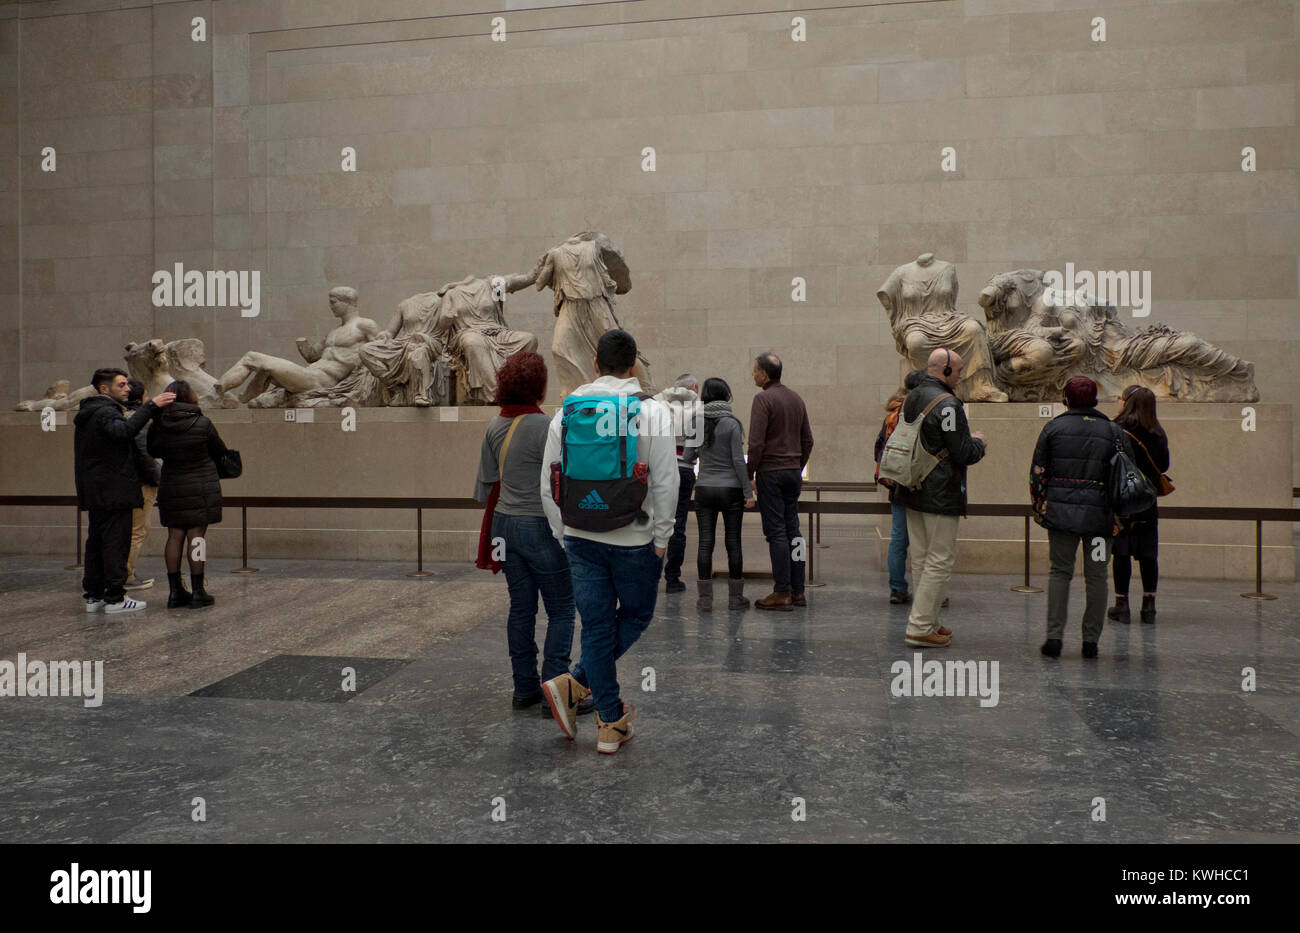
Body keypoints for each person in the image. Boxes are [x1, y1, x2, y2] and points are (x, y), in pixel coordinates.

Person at [540, 329, 678, 755]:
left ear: (595, 365)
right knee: (635, 616)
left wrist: (564, 534)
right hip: (634, 537)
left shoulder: (566, 412)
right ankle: (609, 719)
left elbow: (548, 483)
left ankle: (578, 685)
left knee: (597, 626)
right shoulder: (651, 412)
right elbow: (666, 482)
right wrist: (662, 537)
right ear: (633, 364)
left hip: (581, 535)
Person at [473, 351, 580, 713]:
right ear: (538, 385)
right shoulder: (546, 426)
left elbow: (484, 485)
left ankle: (524, 689)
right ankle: (555, 692)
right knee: (562, 608)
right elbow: (563, 479)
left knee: (521, 608)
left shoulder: (493, 426)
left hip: (503, 528)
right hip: (538, 525)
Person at [1030, 376, 1134, 658]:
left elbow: (1038, 472)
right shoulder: (1113, 431)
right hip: (1101, 520)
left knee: (1060, 572)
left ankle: (1054, 638)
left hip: (1062, 515)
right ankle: (1091, 641)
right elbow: (1127, 475)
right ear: (1095, 401)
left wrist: (1040, 507)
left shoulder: (1053, 428)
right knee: (1097, 576)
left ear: (1066, 400)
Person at [894, 349, 986, 647]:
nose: (961, 376)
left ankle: (929, 621)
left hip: (911, 486)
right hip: (939, 491)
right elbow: (962, 452)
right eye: (958, 370)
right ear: (945, 370)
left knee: (921, 558)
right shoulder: (947, 404)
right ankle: (920, 626)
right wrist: (980, 443)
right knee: (940, 559)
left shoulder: (913, 396)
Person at [74, 369, 176, 613]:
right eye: (121, 385)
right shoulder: (105, 412)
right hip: (113, 490)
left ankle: (94, 595)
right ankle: (115, 598)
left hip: (98, 490)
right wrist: (150, 407)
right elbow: (124, 432)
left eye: (126, 384)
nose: (127, 388)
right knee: (115, 543)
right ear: (104, 388)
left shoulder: (91, 413)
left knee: (97, 543)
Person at [147, 380, 229, 610]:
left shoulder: (159, 424)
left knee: (174, 536)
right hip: (200, 486)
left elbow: (152, 450)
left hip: (172, 484)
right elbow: (220, 450)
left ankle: (174, 592)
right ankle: (198, 591)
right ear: (191, 397)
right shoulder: (202, 422)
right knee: (197, 536)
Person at [747, 352, 814, 611]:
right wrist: (797, 465)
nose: (752, 374)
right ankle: (798, 591)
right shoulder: (796, 398)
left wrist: (749, 473)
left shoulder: (763, 399)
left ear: (764, 374)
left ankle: (782, 591)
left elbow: (756, 443)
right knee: (793, 532)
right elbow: (808, 440)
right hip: (791, 472)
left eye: (754, 370)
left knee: (775, 532)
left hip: (771, 474)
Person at [1108, 385, 1170, 625]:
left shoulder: (1117, 430)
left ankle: (1122, 605)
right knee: (1148, 554)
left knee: (1121, 553)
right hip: (1146, 501)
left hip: (1122, 501)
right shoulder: (1157, 432)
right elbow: (1163, 466)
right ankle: (1149, 606)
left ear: (1127, 403)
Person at [692, 377, 755, 612]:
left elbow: (689, 457)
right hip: (730, 491)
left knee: (705, 542)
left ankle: (705, 600)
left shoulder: (697, 422)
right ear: (726, 395)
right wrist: (748, 492)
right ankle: (735, 599)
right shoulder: (732, 424)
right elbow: (739, 462)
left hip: (705, 489)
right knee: (733, 542)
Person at [874, 369, 924, 604]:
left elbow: (879, 448)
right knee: (926, 542)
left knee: (898, 539)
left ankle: (897, 588)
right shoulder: (925, 411)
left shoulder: (893, 414)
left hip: (897, 485)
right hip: (923, 485)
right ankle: (928, 591)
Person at [654, 373, 700, 593]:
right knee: (678, 524)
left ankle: (651, 575)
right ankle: (672, 577)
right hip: (684, 469)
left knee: (654, 521)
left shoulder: (658, 404)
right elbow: (696, 444)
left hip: (660, 468)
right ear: (693, 387)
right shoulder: (697, 408)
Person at [123, 379, 162, 592]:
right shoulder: (139, 421)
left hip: (128, 481)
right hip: (141, 483)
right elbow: (144, 455)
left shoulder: (120, 416)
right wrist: (158, 479)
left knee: (133, 529)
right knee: (137, 530)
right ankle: (126, 574)